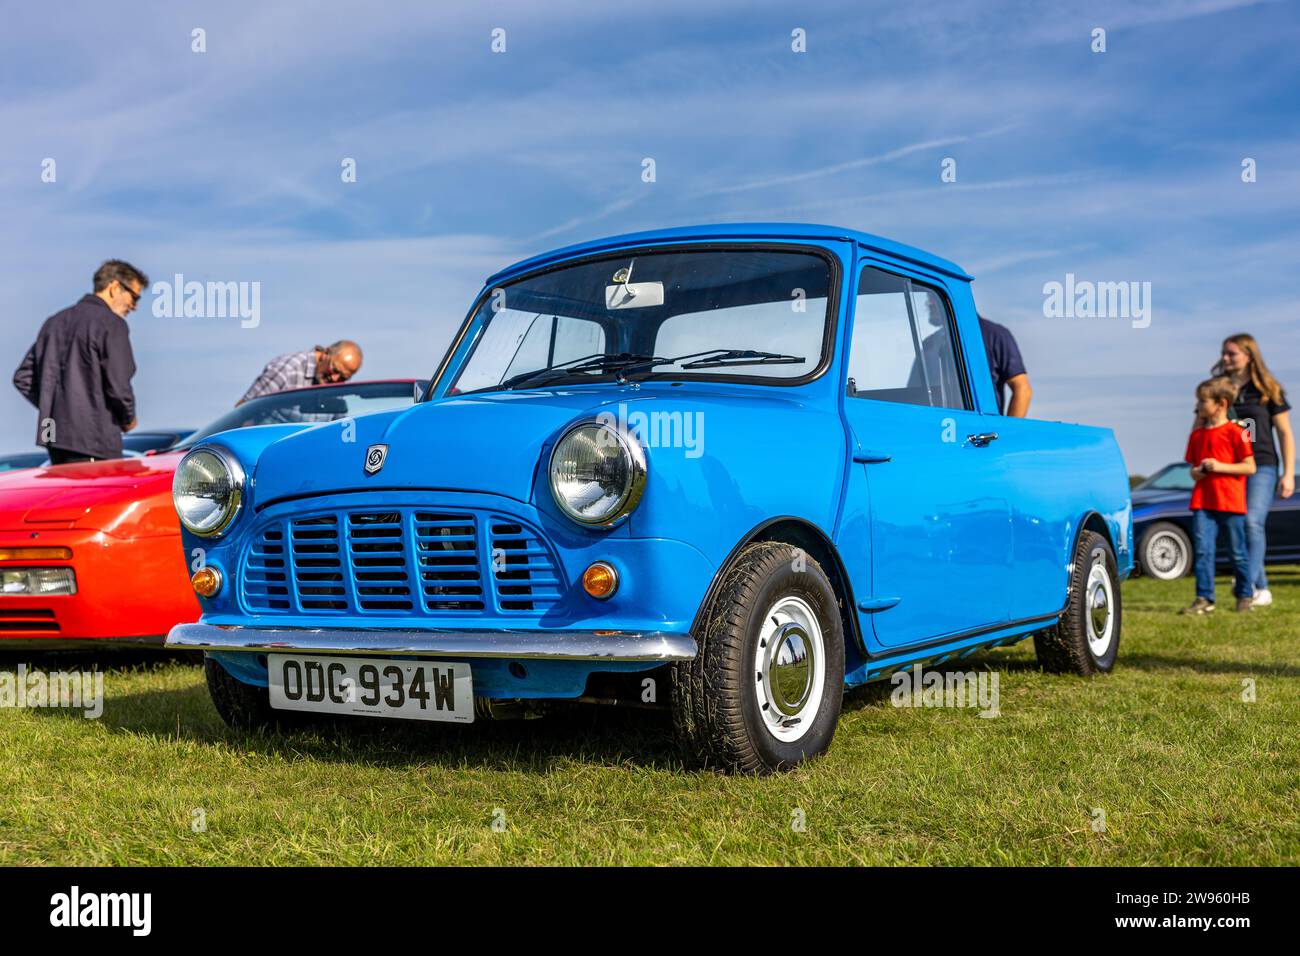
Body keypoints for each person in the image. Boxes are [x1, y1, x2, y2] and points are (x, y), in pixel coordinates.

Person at [12, 260, 147, 464]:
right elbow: (118, 386)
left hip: (54, 438)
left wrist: (57, 407)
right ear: (115, 287)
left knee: (69, 497)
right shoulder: (111, 324)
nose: (134, 306)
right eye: (134, 297)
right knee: (100, 497)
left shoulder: (54, 323)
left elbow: (23, 378)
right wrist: (128, 419)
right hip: (95, 440)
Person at [1209, 333, 1294, 608]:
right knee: (1236, 527)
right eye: (1224, 353)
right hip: (1227, 467)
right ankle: (1263, 588)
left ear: (1248, 355)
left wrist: (1288, 473)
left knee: (1251, 522)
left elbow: (1284, 433)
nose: (1225, 358)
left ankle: (1249, 583)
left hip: (1262, 465)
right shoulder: (1219, 390)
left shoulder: (1268, 389)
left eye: (1231, 353)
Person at [1180, 377, 1256, 615]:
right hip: (1203, 502)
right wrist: (1198, 472)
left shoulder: (1239, 432)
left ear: (1221, 403)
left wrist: (1219, 466)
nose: (1199, 407)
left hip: (1231, 502)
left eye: (1203, 401)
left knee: (1237, 552)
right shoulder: (1197, 435)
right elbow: (1192, 472)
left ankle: (1245, 595)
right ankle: (1204, 598)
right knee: (1203, 551)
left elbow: (1249, 467)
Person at [237, 340, 363, 405]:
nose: (335, 379)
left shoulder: (335, 384)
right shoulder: (287, 368)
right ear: (326, 354)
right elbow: (243, 411)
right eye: (334, 370)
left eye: (343, 378)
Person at [979, 316, 1032, 417]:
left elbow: (1023, 389)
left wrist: (1008, 432)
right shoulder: (942, 334)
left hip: (985, 427)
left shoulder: (994, 334)